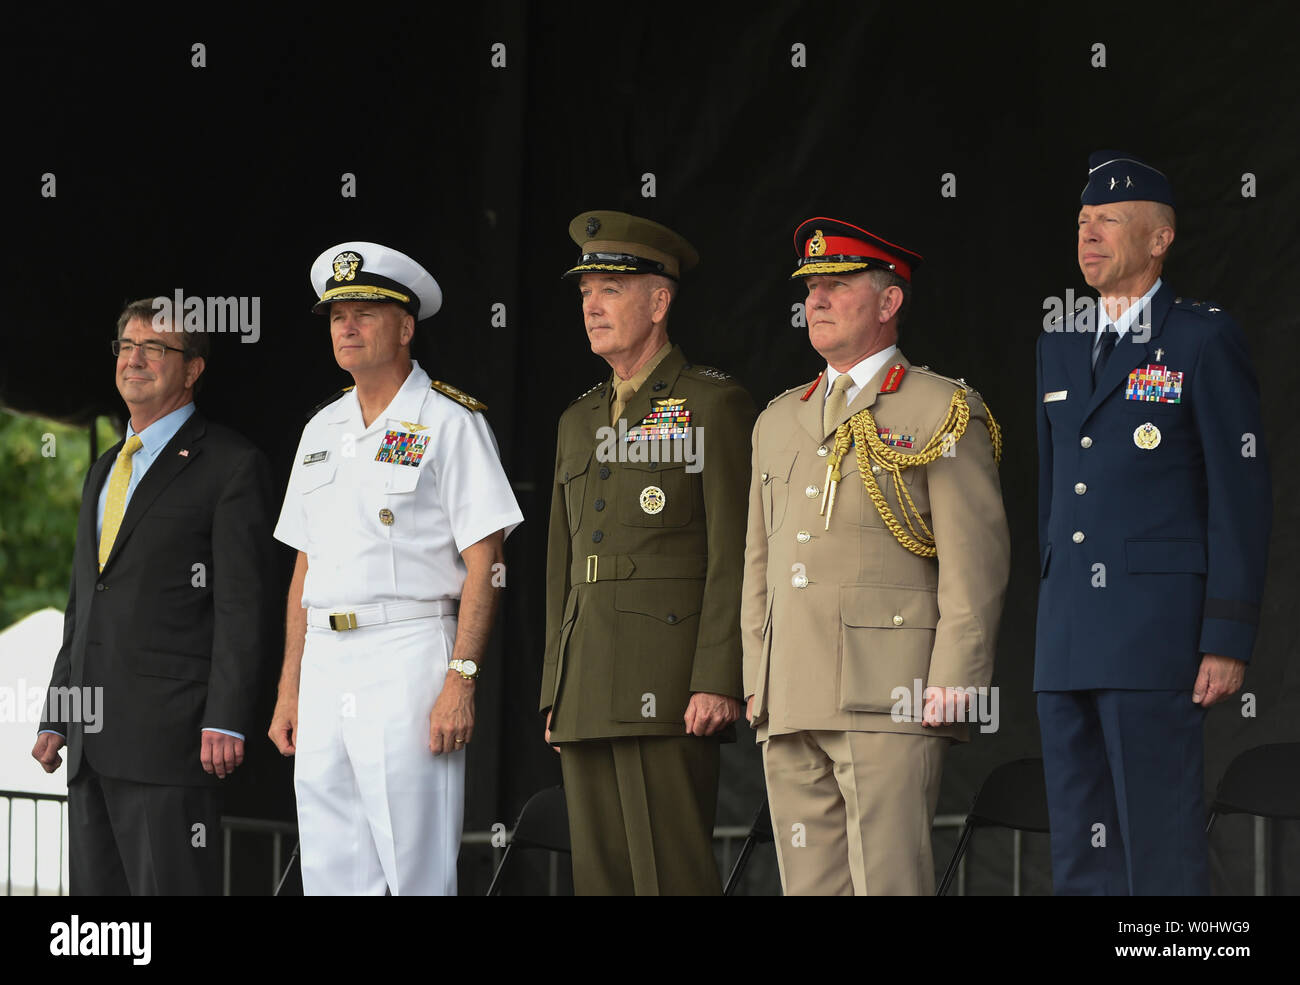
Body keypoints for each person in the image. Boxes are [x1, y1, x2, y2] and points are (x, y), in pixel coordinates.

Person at [741, 217, 1010, 895]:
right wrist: (755, 671)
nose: (817, 300)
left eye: (837, 285)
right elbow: (758, 563)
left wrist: (957, 676)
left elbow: (975, 560)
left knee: (889, 883)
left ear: (889, 304)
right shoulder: (777, 419)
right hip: (790, 689)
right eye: (811, 287)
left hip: (892, 688)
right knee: (809, 887)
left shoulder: (942, 407)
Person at [1035, 152, 1271, 895]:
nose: (1089, 234)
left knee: (1159, 851)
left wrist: (1226, 636)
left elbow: (1242, 494)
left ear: (1160, 238)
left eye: (1108, 220)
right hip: (1067, 633)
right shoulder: (1059, 345)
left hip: (1155, 637)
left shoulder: (1201, 338)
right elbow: (1054, 493)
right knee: (1080, 851)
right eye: (1081, 222)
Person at [269, 241, 522, 895]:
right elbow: (305, 565)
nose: (345, 326)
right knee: (330, 869)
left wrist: (460, 677)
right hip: (325, 656)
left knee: (414, 869)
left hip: (408, 652)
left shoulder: (448, 421)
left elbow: (485, 561)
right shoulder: (320, 428)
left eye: (364, 313)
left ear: (406, 327)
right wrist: (289, 686)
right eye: (335, 316)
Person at [540, 211, 755, 895]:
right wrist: (555, 684)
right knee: (600, 879)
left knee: (672, 876)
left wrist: (719, 674)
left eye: (609, 288)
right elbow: (559, 563)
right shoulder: (577, 419)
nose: (591, 306)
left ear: (659, 302)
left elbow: (735, 548)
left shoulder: (711, 403)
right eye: (584, 292)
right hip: (587, 677)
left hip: (668, 681)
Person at [32, 298, 276, 895]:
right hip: (90, 743)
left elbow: (243, 606)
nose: (134, 359)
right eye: (126, 347)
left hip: (172, 741)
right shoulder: (105, 468)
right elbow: (84, 605)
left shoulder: (232, 465)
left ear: (192, 368)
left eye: (154, 348)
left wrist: (226, 717)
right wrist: (61, 713)